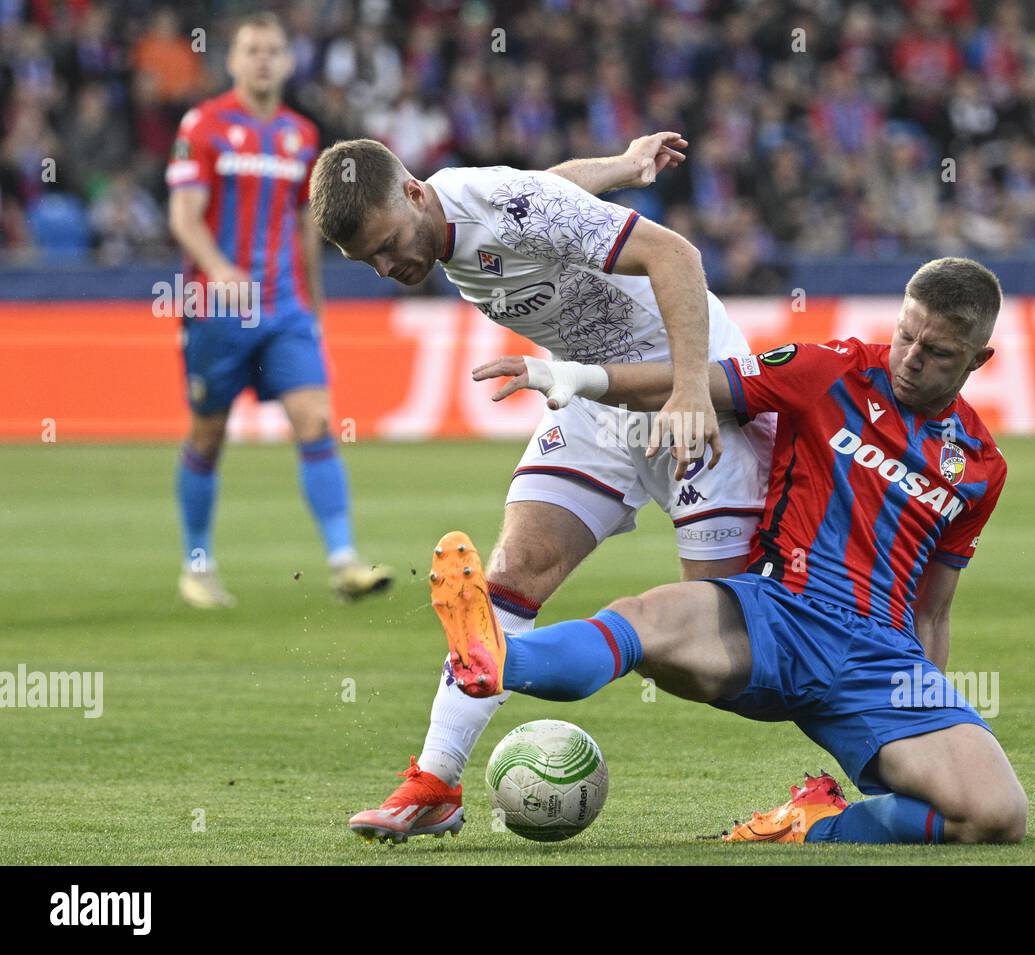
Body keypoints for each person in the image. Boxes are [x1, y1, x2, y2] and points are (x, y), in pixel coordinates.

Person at [448, 256, 1027, 845]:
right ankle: (494, 657)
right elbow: (696, 379)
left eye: (938, 352)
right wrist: (580, 378)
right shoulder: (831, 370)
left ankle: (814, 826)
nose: (911, 357)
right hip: (777, 614)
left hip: (880, 660)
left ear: (979, 359)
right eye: (906, 334)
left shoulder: (981, 467)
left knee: (996, 816)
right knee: (639, 620)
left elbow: (933, 610)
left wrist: (918, 706)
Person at [309, 133, 776, 841]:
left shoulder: (496, 204)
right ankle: (435, 781)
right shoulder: (469, 212)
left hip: (695, 390)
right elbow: (550, 188)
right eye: (367, 260)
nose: (384, 267)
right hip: (599, 397)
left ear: (412, 194)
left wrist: (688, 390)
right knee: (512, 573)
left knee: (724, 651)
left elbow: (676, 254)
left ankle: (854, 767)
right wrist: (619, 167)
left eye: (385, 244)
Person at [166, 12, 392, 608]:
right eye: (251, 50)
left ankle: (344, 561)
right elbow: (184, 216)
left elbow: (304, 227)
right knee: (208, 436)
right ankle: (198, 562)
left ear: (289, 62)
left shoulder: (300, 135)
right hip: (217, 311)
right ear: (233, 61)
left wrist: (314, 308)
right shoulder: (205, 125)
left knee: (315, 419)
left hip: (286, 309)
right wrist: (218, 270)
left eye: (273, 50)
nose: (263, 60)